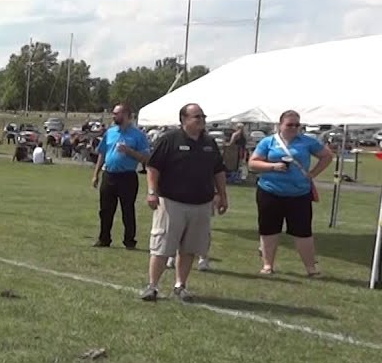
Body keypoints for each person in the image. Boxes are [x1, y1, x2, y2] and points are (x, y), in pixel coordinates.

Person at [142, 103, 228, 301]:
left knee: (190, 248)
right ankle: (152, 286)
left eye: (203, 117)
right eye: (197, 117)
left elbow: (218, 170)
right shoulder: (169, 140)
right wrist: (152, 192)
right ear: (184, 120)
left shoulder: (209, 143)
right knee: (162, 246)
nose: (201, 120)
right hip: (172, 202)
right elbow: (153, 167)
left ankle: (180, 285)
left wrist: (222, 195)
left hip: (201, 204)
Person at [248, 110, 335, 276]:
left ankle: (311, 268)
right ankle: (268, 265)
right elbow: (252, 164)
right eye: (290, 124)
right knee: (269, 230)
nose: (294, 128)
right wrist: (273, 166)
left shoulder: (307, 141)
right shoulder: (268, 142)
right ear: (280, 125)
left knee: (303, 231)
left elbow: (326, 156)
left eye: (297, 124)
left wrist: (313, 174)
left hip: (299, 194)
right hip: (270, 191)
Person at [91, 104, 151, 249]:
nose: (113, 116)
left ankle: (129, 241)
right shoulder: (110, 133)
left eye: (116, 113)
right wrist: (96, 174)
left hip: (127, 177)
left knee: (127, 210)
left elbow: (146, 158)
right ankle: (104, 239)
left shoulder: (138, 135)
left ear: (126, 115)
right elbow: (102, 153)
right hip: (109, 175)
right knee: (105, 210)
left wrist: (129, 151)